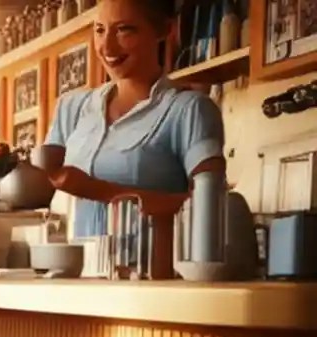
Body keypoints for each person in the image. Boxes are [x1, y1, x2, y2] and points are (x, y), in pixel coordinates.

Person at [35, 0, 226, 238]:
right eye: (100, 30)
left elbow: (213, 208)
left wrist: (102, 191)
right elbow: (40, 187)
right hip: (75, 272)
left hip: (151, 271)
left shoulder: (189, 110)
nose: (107, 46)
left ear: (165, 30)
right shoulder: (71, 108)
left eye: (124, 29)